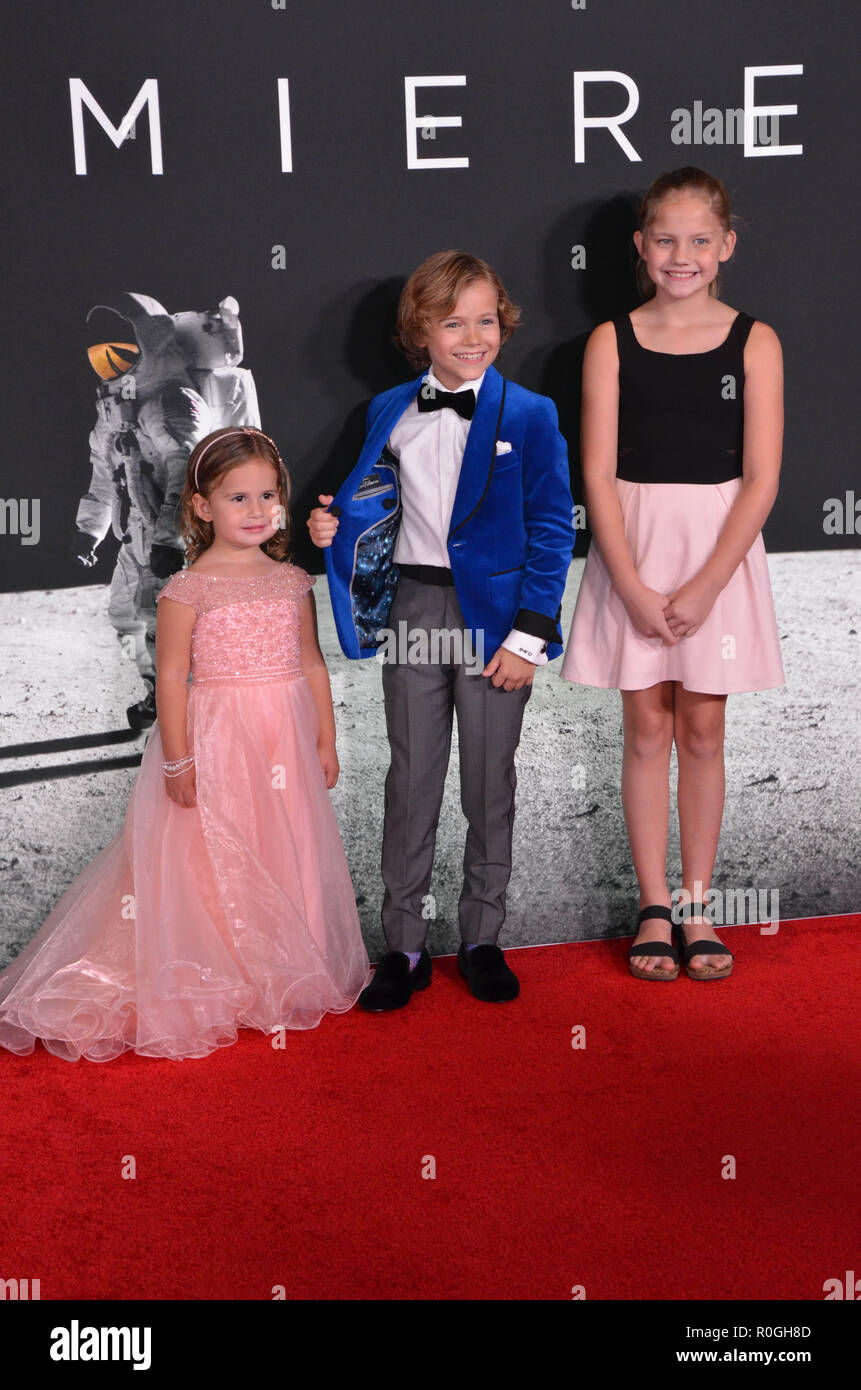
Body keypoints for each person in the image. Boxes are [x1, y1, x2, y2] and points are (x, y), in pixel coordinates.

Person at [0, 426, 370, 1061]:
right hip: (218, 737)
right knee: (213, 849)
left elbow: (311, 664)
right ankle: (213, 968)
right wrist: (178, 759)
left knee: (284, 837)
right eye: (237, 498)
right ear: (202, 506)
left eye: (267, 496)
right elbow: (172, 677)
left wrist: (326, 737)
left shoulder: (291, 581)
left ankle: (279, 966)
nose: (256, 511)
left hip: (283, 739)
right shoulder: (185, 590)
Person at [308, 251, 574, 1011]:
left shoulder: (528, 413)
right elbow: (367, 503)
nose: (471, 335)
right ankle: (406, 946)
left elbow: (553, 530)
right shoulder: (388, 409)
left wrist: (529, 637)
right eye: (451, 321)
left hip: (494, 626)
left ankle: (483, 937)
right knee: (411, 781)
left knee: (489, 784)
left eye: (484, 319)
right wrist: (331, 526)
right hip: (414, 614)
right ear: (418, 331)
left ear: (503, 323)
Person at [562, 167, 785, 981]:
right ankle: (652, 904)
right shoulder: (609, 340)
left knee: (702, 729)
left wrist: (703, 587)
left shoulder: (754, 340)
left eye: (698, 239)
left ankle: (697, 904)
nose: (680, 255)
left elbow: (760, 478)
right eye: (664, 239)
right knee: (646, 727)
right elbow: (596, 473)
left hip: (715, 558)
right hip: (635, 548)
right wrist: (625, 581)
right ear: (639, 246)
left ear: (724, 245)